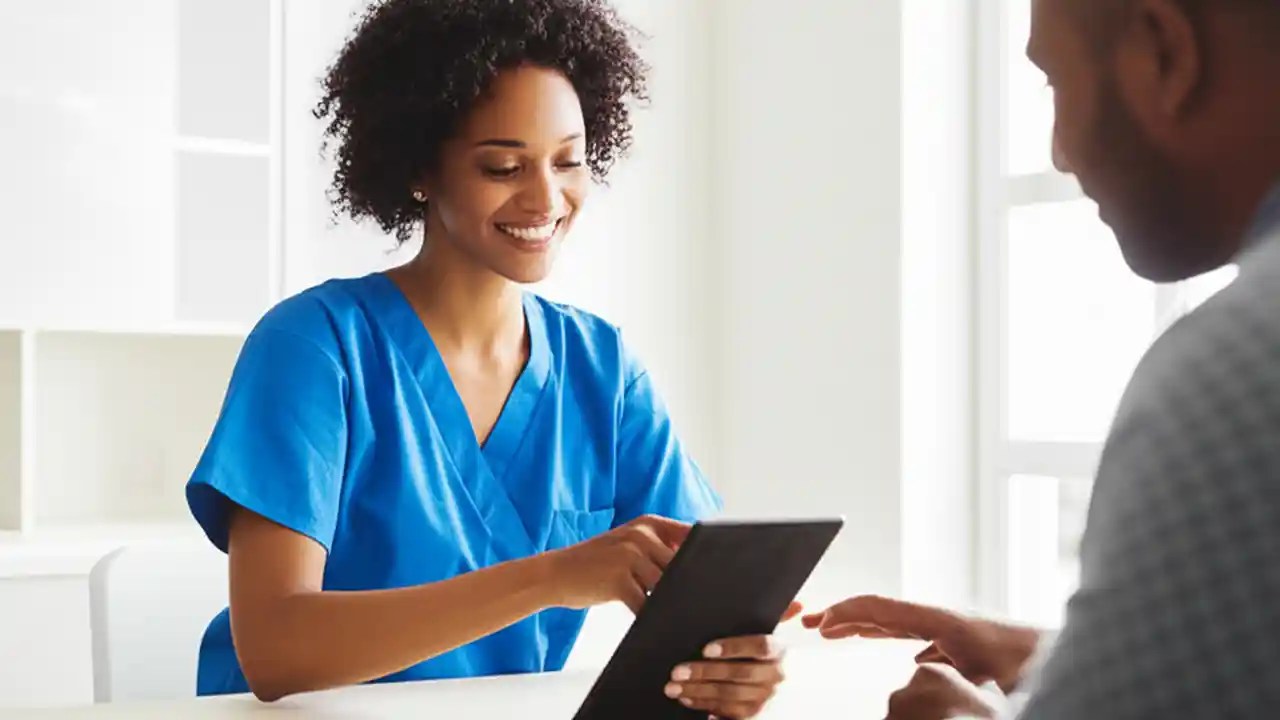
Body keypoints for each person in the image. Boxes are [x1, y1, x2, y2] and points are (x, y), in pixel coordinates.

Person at [184, 1, 788, 716]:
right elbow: (276, 649)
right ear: (419, 169)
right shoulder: (316, 347)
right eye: (503, 166)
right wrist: (555, 576)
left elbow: (704, 590)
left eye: (569, 161)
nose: (545, 197)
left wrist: (739, 659)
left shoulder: (602, 368)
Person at [803, 0, 1280, 717]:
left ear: (1164, 53)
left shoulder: (1233, 372)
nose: (1060, 152)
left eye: (1055, 82)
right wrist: (1057, 658)